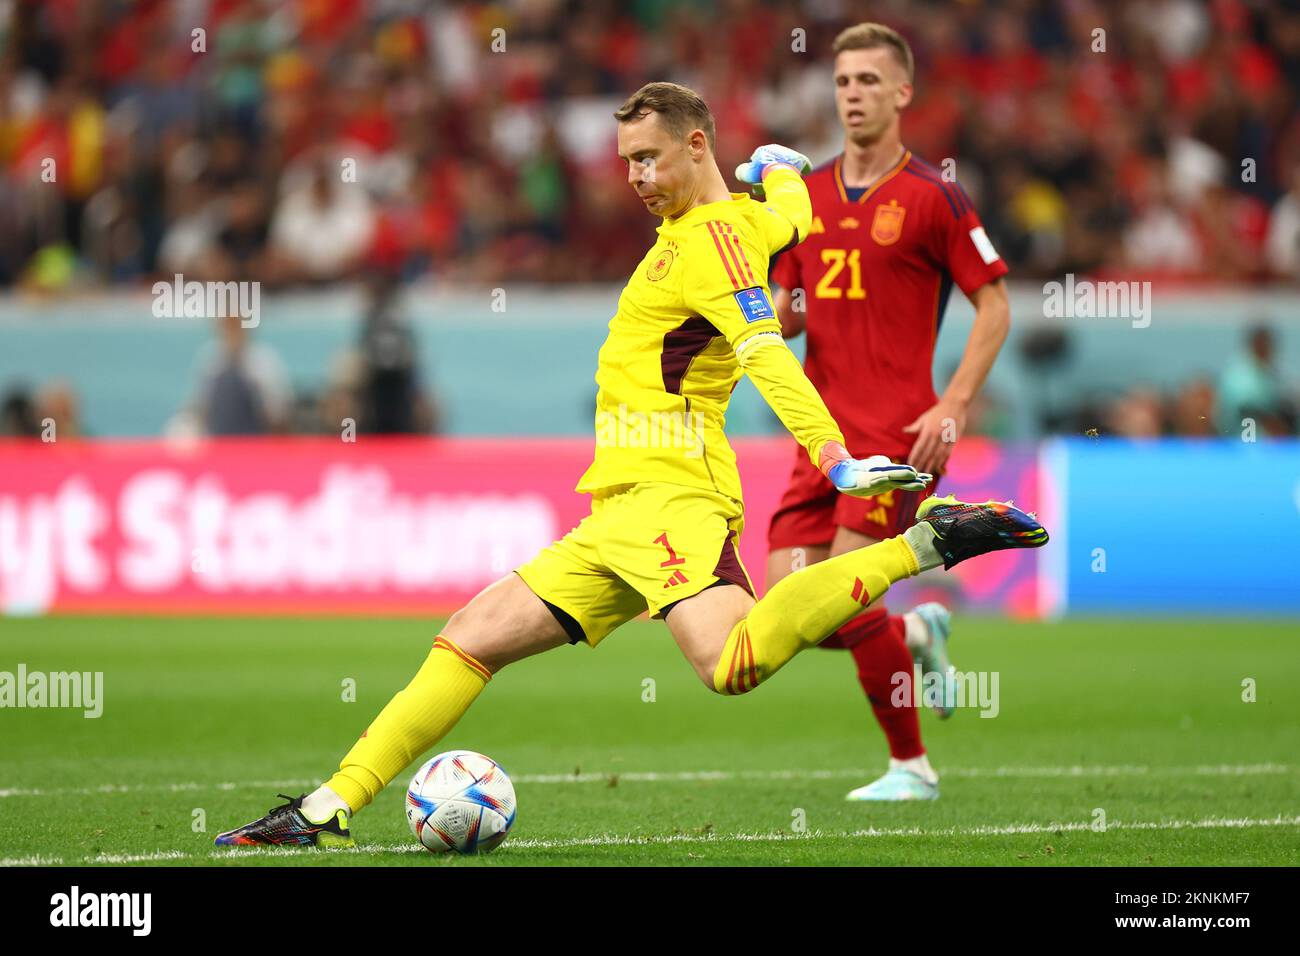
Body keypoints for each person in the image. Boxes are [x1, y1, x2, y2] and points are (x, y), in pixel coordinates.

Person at [214, 82, 1046, 848]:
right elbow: (789, 216)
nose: (637, 177)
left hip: (670, 496)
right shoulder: (744, 220)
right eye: (626, 164)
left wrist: (835, 460)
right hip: (617, 510)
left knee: (731, 667)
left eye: (649, 158)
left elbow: (766, 353)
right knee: (470, 639)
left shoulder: (712, 244)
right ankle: (324, 809)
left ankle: (929, 545)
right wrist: (785, 173)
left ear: (695, 146)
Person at [766, 23, 1012, 802]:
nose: (853, 95)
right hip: (819, 436)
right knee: (791, 611)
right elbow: (790, 309)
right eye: (843, 82)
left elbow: (994, 303)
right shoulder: (801, 197)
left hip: (894, 433)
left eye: (869, 81)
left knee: (835, 591)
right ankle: (914, 631)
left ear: (903, 93)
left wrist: (955, 402)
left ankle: (913, 767)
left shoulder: (933, 195)